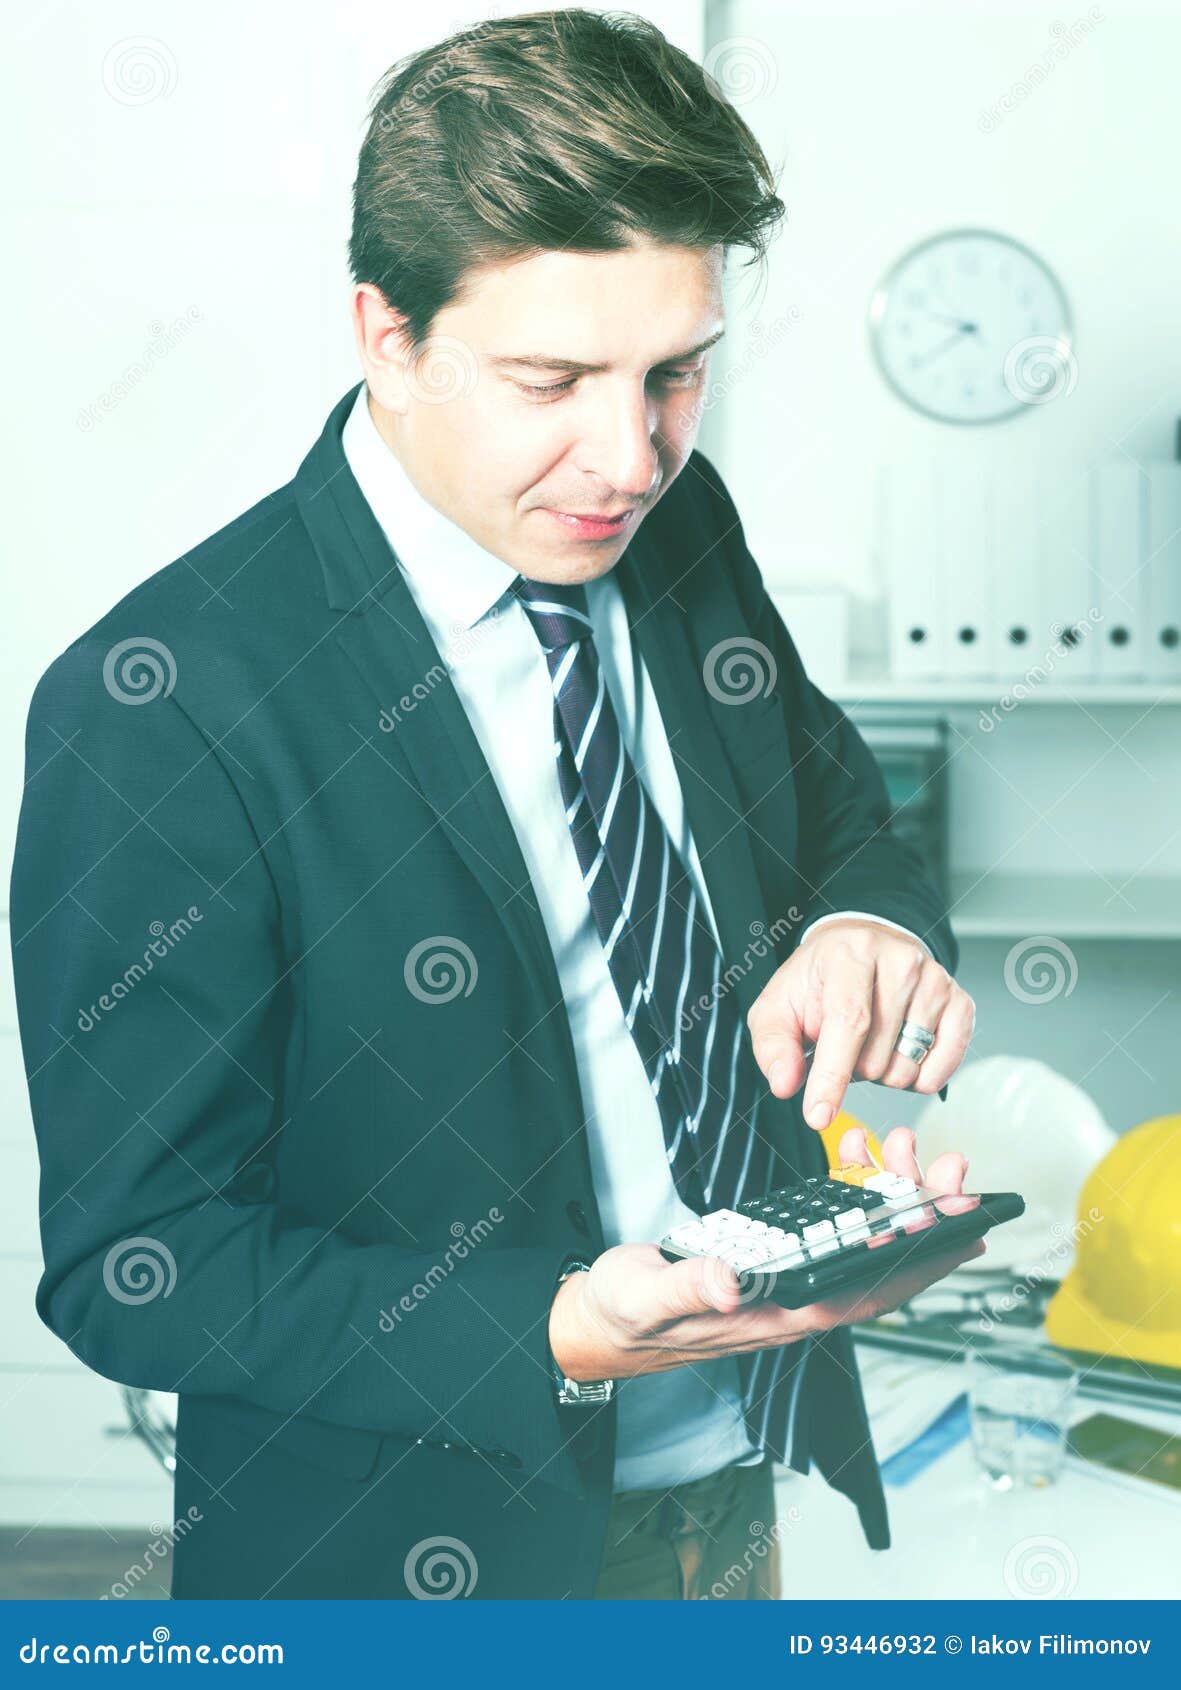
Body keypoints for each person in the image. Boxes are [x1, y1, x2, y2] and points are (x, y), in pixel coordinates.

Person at [9, 8, 978, 1601]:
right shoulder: (165, 702)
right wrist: (554, 1326)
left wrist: (866, 919)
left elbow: (833, 808)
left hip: (738, 1482)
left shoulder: (677, 524)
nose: (629, 452)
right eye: (550, 378)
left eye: (676, 372)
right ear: (387, 334)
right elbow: (142, 1262)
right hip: (410, 1565)